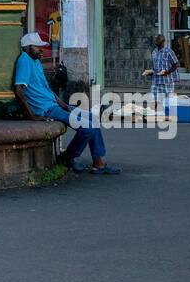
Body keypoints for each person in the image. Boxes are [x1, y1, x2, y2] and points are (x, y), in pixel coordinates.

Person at [13, 31, 121, 175]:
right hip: (47, 109)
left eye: (41, 46)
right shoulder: (24, 60)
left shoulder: (36, 62)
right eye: (37, 47)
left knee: (93, 119)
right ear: (26, 48)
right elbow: (19, 90)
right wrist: (32, 116)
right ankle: (67, 157)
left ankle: (99, 163)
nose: (41, 50)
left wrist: (64, 106)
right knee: (87, 127)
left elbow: (48, 90)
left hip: (55, 105)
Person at [143, 33, 180, 105]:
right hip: (156, 81)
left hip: (167, 81)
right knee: (153, 101)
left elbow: (177, 64)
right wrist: (151, 72)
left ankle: (167, 115)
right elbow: (156, 67)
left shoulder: (168, 52)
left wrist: (167, 72)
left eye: (158, 39)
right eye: (156, 38)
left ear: (163, 41)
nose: (156, 40)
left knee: (167, 103)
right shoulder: (154, 52)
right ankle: (156, 115)